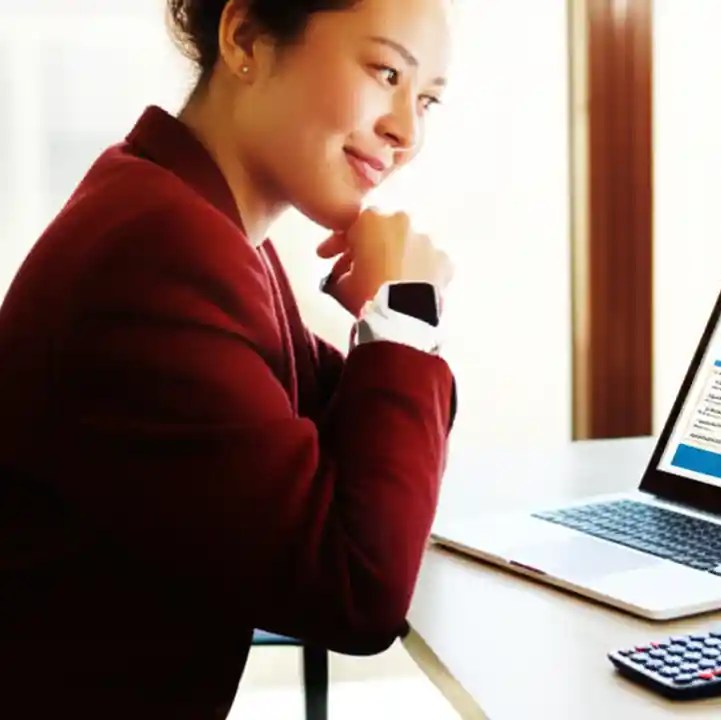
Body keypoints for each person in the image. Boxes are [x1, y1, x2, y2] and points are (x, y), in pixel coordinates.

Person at [0, 0, 457, 715]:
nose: (407, 130)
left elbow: (373, 457)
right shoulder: (161, 253)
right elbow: (358, 583)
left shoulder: (195, 219)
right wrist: (404, 309)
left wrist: (398, 327)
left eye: (425, 98)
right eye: (385, 72)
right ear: (244, 38)